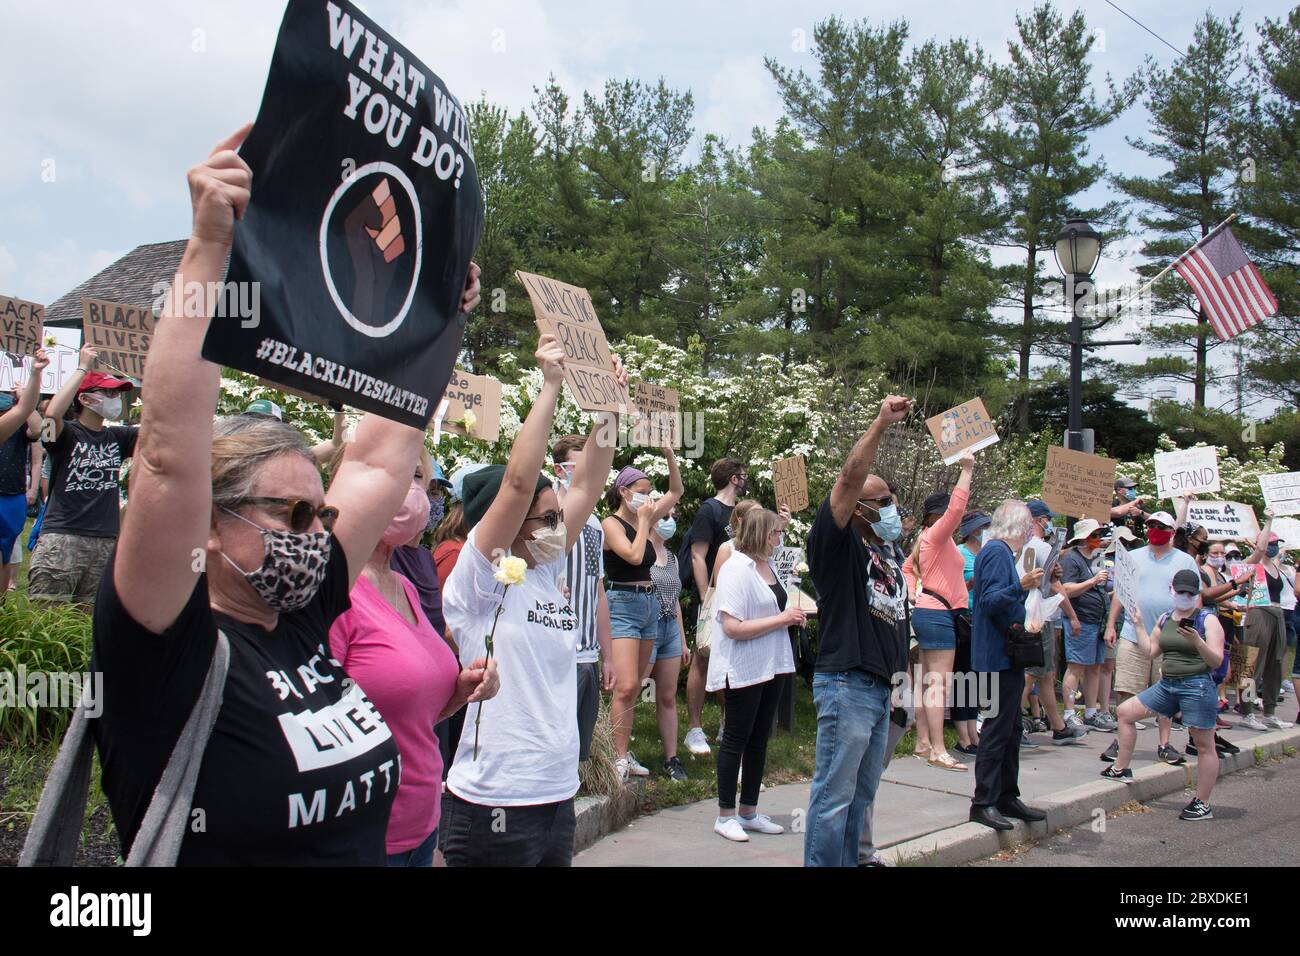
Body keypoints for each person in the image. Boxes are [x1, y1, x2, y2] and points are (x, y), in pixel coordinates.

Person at [85, 127, 483, 864]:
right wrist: (210, 247)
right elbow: (170, 459)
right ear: (207, 523)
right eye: (289, 513)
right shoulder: (164, 647)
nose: (313, 534)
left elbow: (372, 461)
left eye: (318, 514)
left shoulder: (301, 615)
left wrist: (440, 317)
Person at [440, 333, 621, 868]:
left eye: (556, 516)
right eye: (545, 518)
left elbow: (589, 482)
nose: (557, 525)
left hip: (554, 796)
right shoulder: (482, 581)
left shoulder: (546, 568)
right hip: (494, 801)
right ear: (508, 526)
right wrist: (551, 384)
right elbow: (519, 482)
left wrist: (608, 403)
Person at [328, 455, 499, 866]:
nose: (419, 494)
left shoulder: (402, 584)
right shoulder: (334, 592)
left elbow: (413, 715)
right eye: (405, 475)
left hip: (419, 831)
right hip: (359, 837)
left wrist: (460, 690)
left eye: (420, 479)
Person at [803, 395, 912, 867]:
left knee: (860, 801)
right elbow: (848, 479)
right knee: (833, 800)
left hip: (881, 690)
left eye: (894, 500)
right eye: (884, 501)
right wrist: (880, 423)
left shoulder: (888, 556)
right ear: (860, 509)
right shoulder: (836, 544)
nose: (894, 508)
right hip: (847, 684)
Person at [1101, 570, 1226, 821]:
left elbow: (1216, 660)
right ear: (1172, 590)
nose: (1184, 596)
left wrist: (1198, 641)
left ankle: (1202, 802)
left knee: (1203, 744)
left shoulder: (1207, 619)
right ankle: (1121, 767)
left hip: (1197, 685)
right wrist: (1137, 625)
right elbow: (1151, 651)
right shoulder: (1166, 617)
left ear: (1197, 594)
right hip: (1168, 684)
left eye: (1190, 593)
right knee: (1125, 712)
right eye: (1180, 591)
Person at [709, 507, 801, 841]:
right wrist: (783, 619)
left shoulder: (769, 565)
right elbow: (732, 626)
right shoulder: (736, 568)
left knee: (760, 737)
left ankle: (748, 810)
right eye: (776, 533)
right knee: (737, 738)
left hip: (773, 663)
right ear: (762, 534)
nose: (780, 538)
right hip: (744, 666)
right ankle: (725, 814)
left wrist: (791, 615)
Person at [26, 345, 137, 605]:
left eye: (117, 393)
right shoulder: (65, 436)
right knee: (48, 622)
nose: (116, 399)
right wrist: (82, 367)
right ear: (85, 399)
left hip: (105, 540)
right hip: (63, 538)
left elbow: (161, 426)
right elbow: (52, 415)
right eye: (108, 392)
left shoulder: (119, 437)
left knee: (83, 627)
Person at [602, 450, 683, 781]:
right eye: (642, 490)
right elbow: (635, 556)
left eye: (650, 491)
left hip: (649, 605)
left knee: (635, 688)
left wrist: (669, 455)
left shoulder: (644, 517)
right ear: (624, 491)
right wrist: (646, 522)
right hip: (622, 602)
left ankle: (622, 750)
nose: (648, 497)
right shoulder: (611, 523)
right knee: (627, 684)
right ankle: (615, 757)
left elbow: (676, 491)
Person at [968, 500, 1047, 831]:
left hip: (1003, 656)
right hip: (997, 657)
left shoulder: (996, 552)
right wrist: (1022, 585)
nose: (1033, 531)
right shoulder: (998, 552)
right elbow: (990, 600)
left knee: (1012, 728)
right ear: (1020, 526)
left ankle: (1005, 795)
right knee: (998, 731)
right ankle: (983, 801)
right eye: (1030, 524)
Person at [1102, 511, 1199, 765]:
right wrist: (1111, 624)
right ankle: (1121, 740)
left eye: (1161, 526)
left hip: (1168, 637)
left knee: (1165, 690)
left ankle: (1164, 743)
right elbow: (1120, 594)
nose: (1155, 529)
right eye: (1151, 525)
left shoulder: (1185, 561)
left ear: (1172, 532)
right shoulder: (1132, 558)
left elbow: (1194, 598)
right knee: (1126, 688)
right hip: (1133, 634)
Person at [903, 450, 976, 772]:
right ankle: (938, 749)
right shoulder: (936, 535)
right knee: (939, 685)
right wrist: (967, 469)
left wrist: (912, 593)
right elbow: (959, 506)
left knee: (927, 682)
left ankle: (923, 743)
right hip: (938, 614)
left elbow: (908, 567)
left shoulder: (927, 539)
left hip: (931, 610)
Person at [550, 434, 616, 766]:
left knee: (578, 752)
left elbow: (597, 591)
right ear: (558, 469)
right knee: (553, 746)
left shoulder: (594, 525)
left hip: (587, 654)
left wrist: (608, 656)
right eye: (577, 467)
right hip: (557, 651)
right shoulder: (549, 515)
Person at [682, 457, 748, 756]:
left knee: (729, 661)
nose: (746, 478)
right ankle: (695, 728)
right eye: (742, 474)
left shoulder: (743, 513)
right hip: (712, 597)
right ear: (734, 478)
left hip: (738, 598)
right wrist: (707, 597)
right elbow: (698, 556)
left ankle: (727, 721)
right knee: (703, 658)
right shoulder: (709, 510)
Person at [1019, 500, 1086, 745]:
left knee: (1045, 673)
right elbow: (1056, 586)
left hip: (1027, 612)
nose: (1049, 524)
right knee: (1031, 673)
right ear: (1038, 520)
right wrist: (1072, 615)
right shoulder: (1041, 547)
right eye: (1047, 519)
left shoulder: (1017, 545)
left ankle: (1058, 726)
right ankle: (1013, 725)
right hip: (1039, 615)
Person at [646, 495, 691, 780]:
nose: (670, 521)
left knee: (667, 696)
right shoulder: (640, 550)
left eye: (672, 515)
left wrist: (683, 641)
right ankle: (619, 753)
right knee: (630, 689)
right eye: (665, 516)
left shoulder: (672, 557)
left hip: (669, 631)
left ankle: (672, 758)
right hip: (645, 627)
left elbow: (675, 601)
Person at [1237, 511, 1294, 731]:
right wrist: (1267, 521)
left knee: (1275, 664)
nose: (1272, 546)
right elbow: (1259, 550)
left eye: (1275, 543)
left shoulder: (1276, 566)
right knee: (1252, 665)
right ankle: (1248, 711)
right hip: (1258, 614)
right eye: (1269, 542)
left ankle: (1269, 711)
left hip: (1277, 615)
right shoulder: (1252, 563)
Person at [1058, 518, 1116, 732]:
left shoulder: (1098, 558)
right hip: (1080, 620)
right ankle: (1070, 712)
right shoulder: (1071, 559)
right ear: (1082, 539)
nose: (1098, 539)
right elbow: (1067, 589)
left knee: (1095, 667)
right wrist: (1092, 582)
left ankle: (1092, 712)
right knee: (1075, 666)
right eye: (1094, 535)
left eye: (1099, 535)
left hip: (1097, 620)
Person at [0, 350, 50, 593]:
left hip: (10, 492)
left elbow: (37, 425)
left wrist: (33, 376)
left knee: (3, 554)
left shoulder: (12, 421)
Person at [951, 510, 991, 755]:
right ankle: (963, 736)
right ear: (975, 530)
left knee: (977, 679)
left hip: (984, 621)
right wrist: (972, 581)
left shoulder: (987, 553)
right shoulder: (959, 553)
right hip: (965, 620)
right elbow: (954, 586)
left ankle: (973, 731)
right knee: (962, 678)